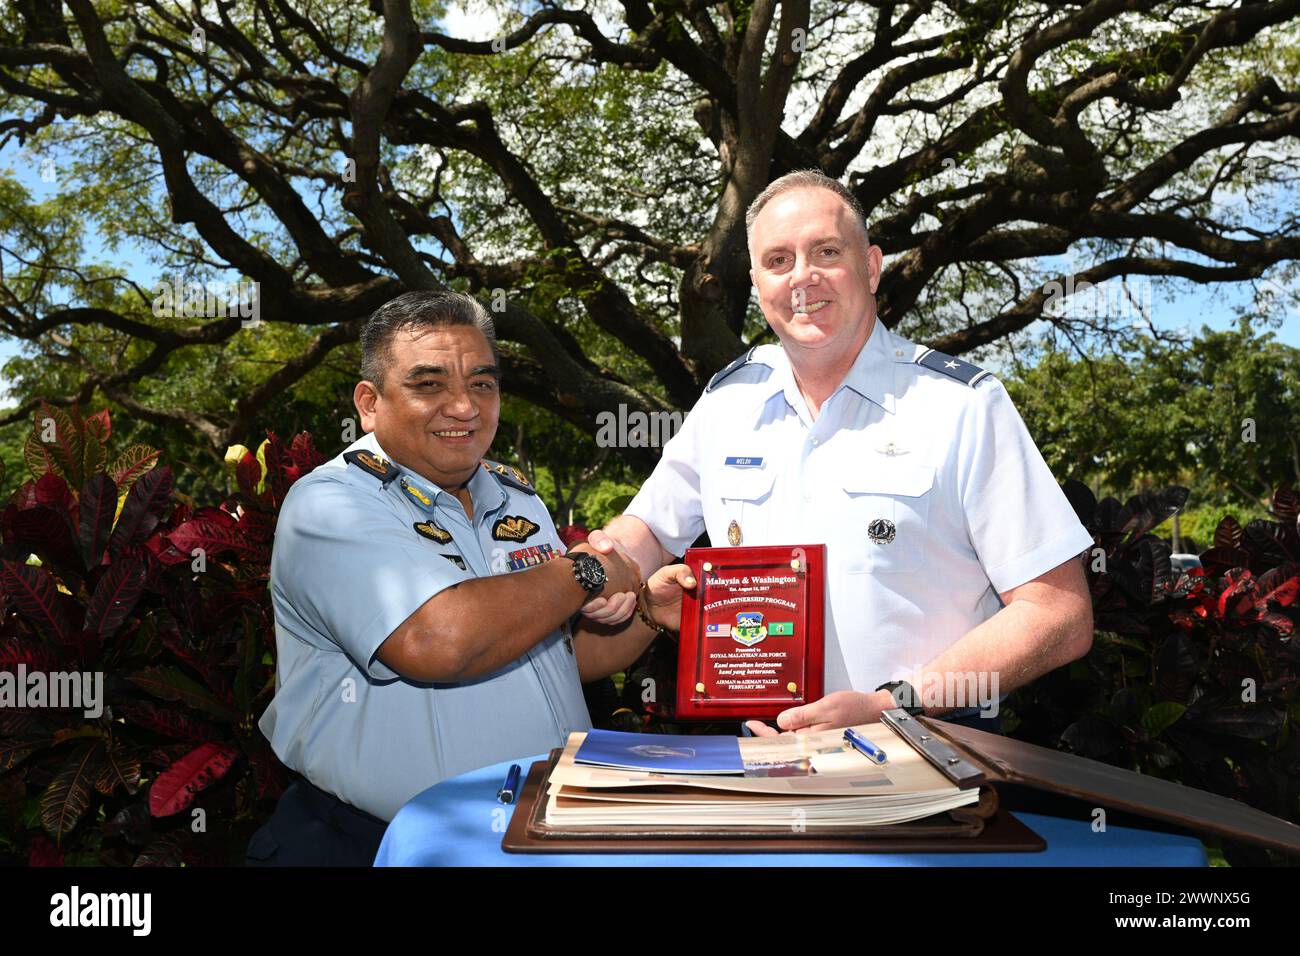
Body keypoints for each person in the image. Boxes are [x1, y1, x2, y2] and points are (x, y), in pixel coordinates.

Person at [583, 170, 1095, 737]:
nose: (802, 277)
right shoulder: (728, 403)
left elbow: (1058, 614)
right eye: (777, 260)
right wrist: (611, 568)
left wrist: (894, 706)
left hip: (923, 763)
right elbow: (649, 532)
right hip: (762, 762)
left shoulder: (961, 406)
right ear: (756, 283)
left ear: (872, 267)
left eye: (826, 251)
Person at [249, 291, 686, 865]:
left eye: (482, 383)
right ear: (369, 402)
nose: (464, 407)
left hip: (535, 837)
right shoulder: (331, 504)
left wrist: (653, 613)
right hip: (372, 843)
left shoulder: (515, 498)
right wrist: (584, 569)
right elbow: (439, 642)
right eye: (428, 385)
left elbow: (554, 659)